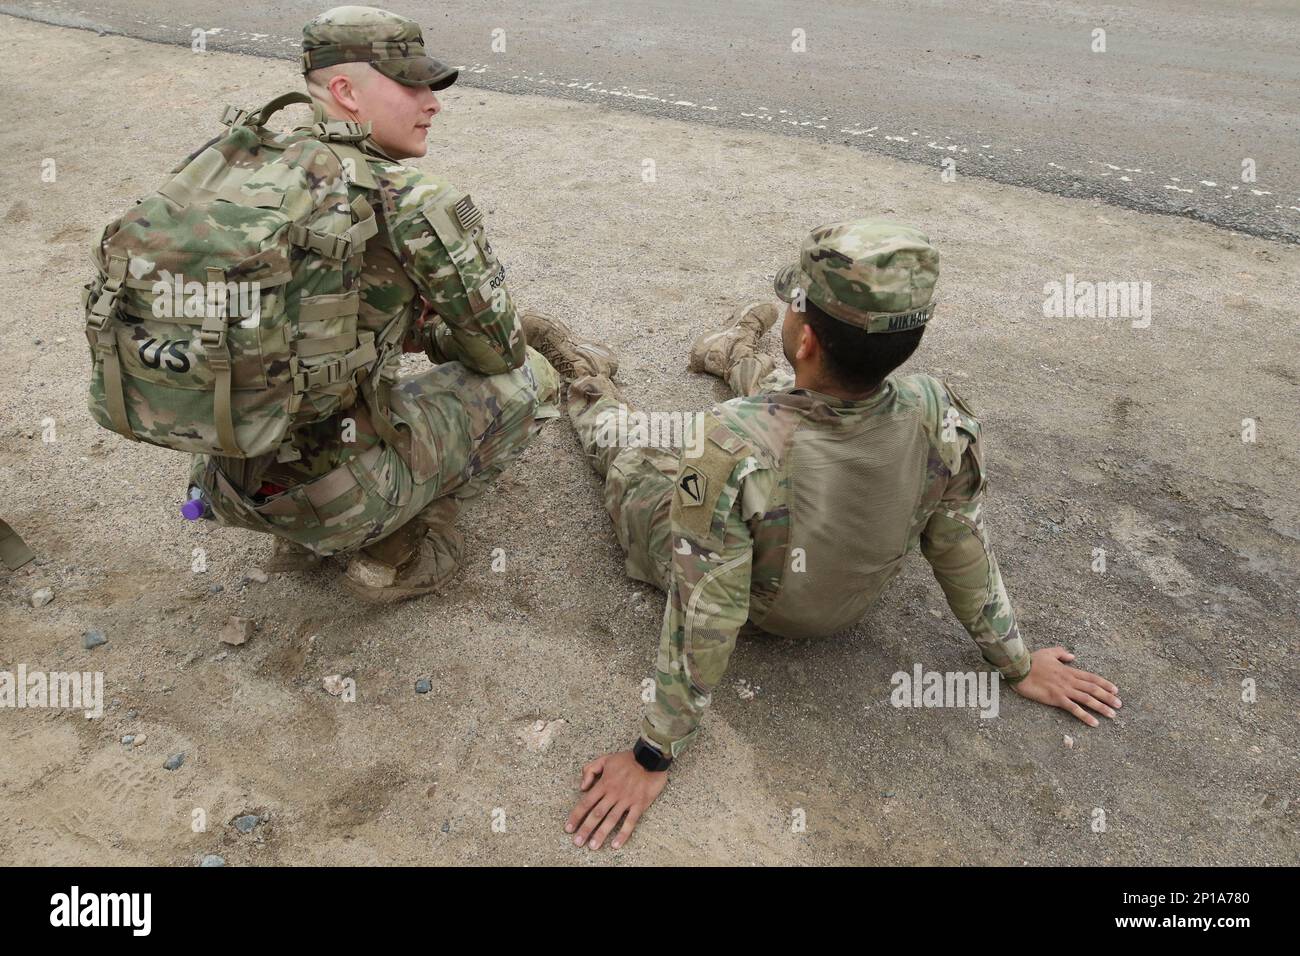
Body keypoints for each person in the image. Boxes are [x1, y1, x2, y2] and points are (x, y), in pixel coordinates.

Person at [524, 218, 1121, 849]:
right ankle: (732, 352)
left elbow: (709, 607)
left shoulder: (731, 442)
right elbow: (957, 541)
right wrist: (1017, 662)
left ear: (805, 337)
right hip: (845, 598)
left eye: (792, 308)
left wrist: (653, 755)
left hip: (772, 606)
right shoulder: (936, 407)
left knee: (629, 458)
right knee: (803, 401)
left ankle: (584, 374)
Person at [186, 6, 575, 602]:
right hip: (340, 499)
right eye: (412, 84)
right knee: (531, 379)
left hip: (219, 481)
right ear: (346, 91)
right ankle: (398, 542)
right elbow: (498, 352)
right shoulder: (408, 199)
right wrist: (433, 335)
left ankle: (293, 527)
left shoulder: (226, 165)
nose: (432, 103)